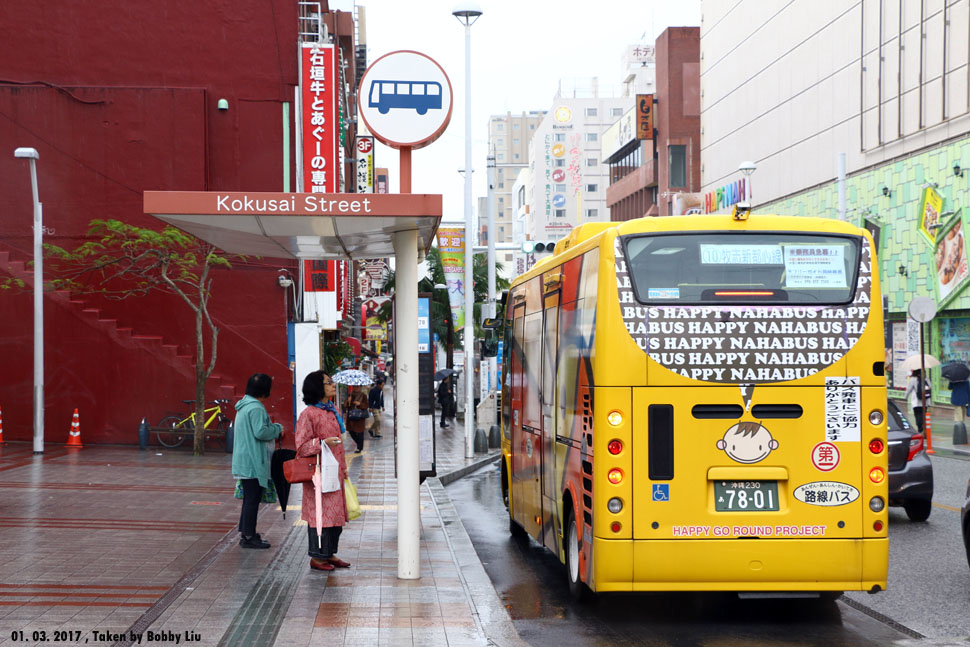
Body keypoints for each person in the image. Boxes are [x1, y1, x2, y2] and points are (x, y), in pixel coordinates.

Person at [294, 370, 351, 572]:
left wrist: (343, 469)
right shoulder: (308, 414)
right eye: (328, 382)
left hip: (334, 473)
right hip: (319, 475)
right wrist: (321, 442)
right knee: (321, 516)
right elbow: (301, 446)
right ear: (318, 387)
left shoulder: (331, 410)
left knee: (335, 517)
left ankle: (329, 553)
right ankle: (317, 558)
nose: (333, 385)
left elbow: (339, 445)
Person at [231, 373, 283, 549]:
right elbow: (261, 432)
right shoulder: (256, 408)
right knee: (252, 500)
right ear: (265, 390)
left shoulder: (244, 405)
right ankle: (249, 536)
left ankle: (247, 533)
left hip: (244, 459)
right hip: (253, 460)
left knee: (249, 499)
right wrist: (277, 429)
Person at [343, 385, 370, 453]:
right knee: (351, 431)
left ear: (360, 387)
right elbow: (345, 406)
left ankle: (359, 448)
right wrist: (348, 401)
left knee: (360, 432)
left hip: (359, 417)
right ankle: (359, 444)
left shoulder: (363, 395)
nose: (356, 388)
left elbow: (366, 405)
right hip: (351, 417)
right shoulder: (350, 395)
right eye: (355, 387)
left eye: (358, 387)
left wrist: (359, 404)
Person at [905, 368, 931, 434]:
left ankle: (920, 427)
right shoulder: (925, 379)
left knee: (917, 415)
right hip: (925, 401)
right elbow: (930, 387)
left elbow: (909, 389)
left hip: (916, 402)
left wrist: (906, 397)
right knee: (923, 414)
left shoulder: (913, 379)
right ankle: (923, 427)